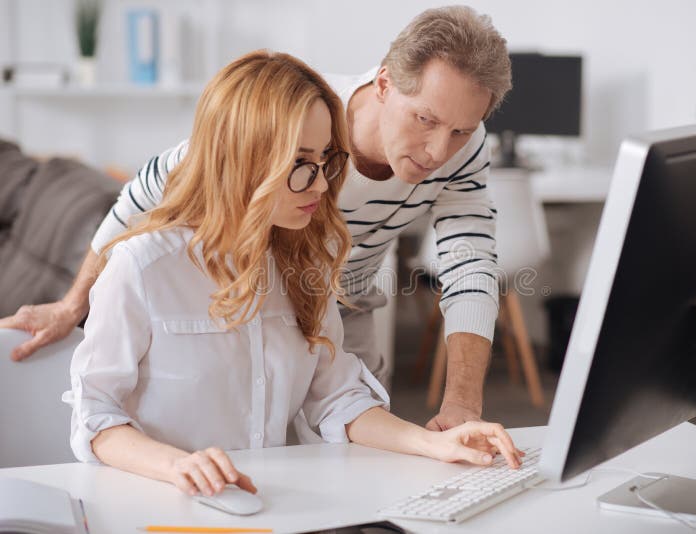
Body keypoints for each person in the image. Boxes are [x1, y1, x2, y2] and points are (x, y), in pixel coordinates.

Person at [3, 6, 511, 432]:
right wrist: (73, 304)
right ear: (384, 84)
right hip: (259, 288)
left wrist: (462, 407)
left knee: (357, 431)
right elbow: (141, 194)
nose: (439, 151)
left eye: (462, 131)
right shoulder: (303, 114)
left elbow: (469, 265)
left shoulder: (463, 150)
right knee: (257, 431)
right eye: (425, 119)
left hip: (346, 296)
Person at [62, 51, 521, 497]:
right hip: (156, 507)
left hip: (263, 506)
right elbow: (95, 417)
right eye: (301, 164)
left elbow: (337, 397)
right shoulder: (141, 269)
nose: (322, 184)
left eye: (324, 161)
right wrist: (176, 465)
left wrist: (434, 443)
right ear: (244, 159)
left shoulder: (307, 267)